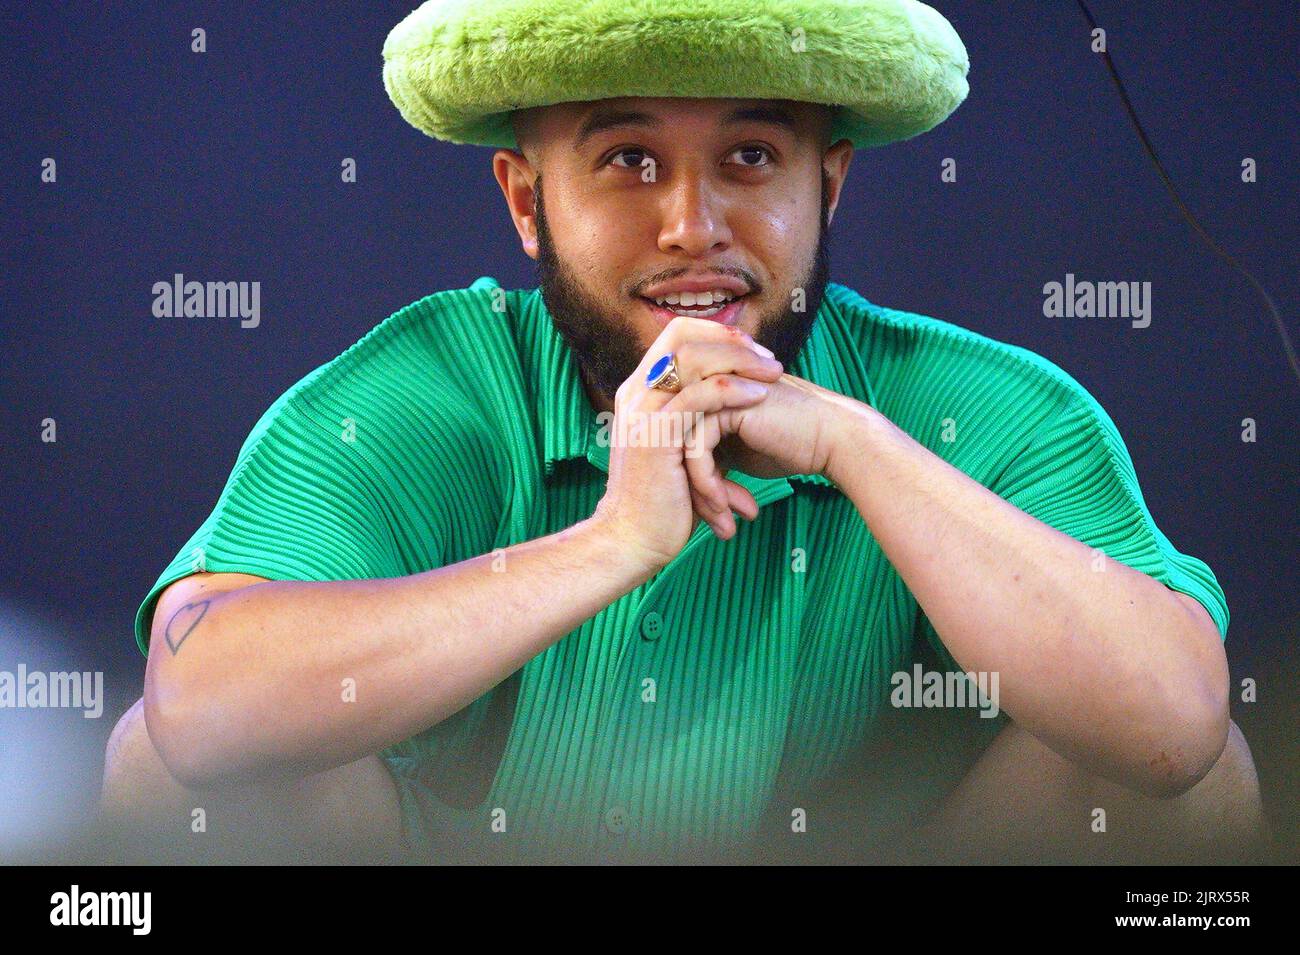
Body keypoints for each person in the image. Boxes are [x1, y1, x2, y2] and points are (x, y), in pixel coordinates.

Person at [102, 0, 1264, 863]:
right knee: (179, 777)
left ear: (828, 188)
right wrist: (613, 541)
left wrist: (855, 446)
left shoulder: (984, 406)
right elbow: (194, 715)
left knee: (1178, 793)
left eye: (750, 157)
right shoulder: (412, 400)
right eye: (628, 161)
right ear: (526, 201)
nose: (692, 225)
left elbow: (1177, 732)